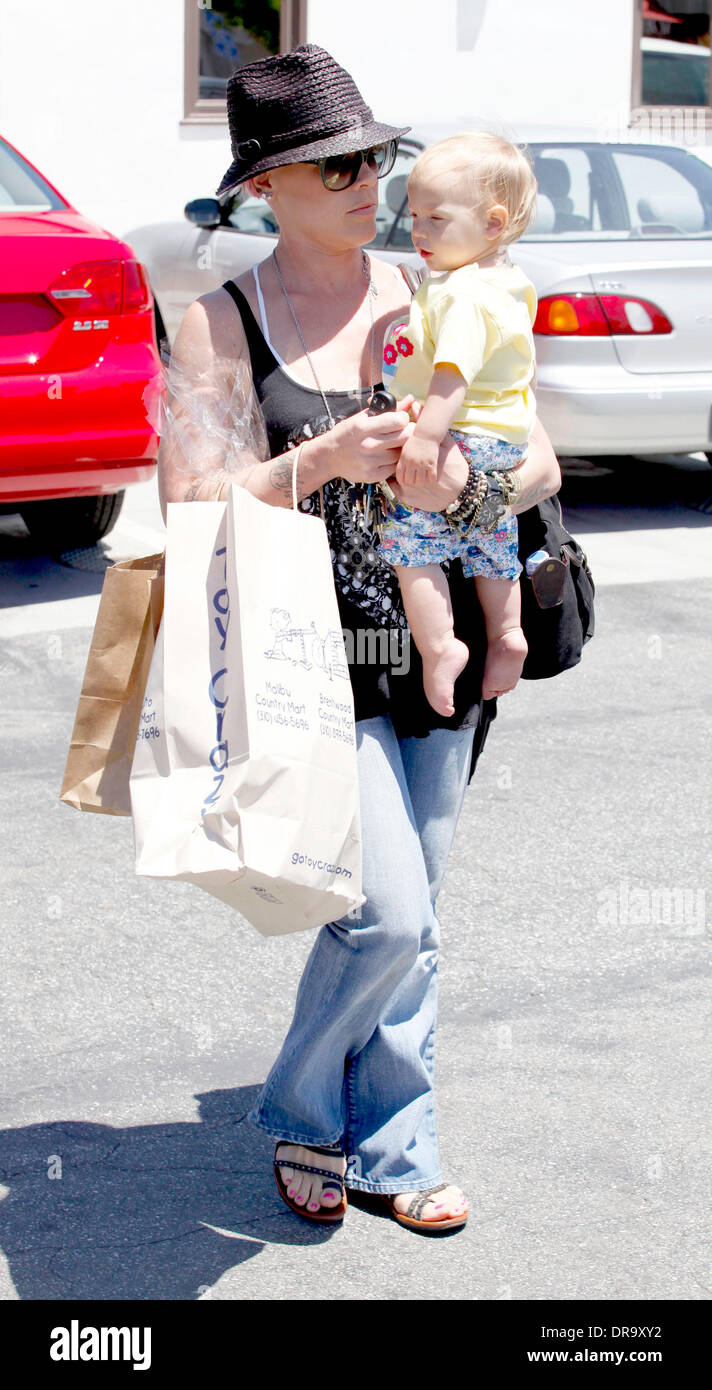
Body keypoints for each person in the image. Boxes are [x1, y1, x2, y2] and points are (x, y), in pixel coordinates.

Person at [158, 44, 560, 1234]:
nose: (364, 180)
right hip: (298, 658)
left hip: (423, 643)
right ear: (265, 186)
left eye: (373, 157)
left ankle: (393, 1139)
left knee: (419, 912)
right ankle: (298, 1107)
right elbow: (190, 508)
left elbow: (530, 450)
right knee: (383, 913)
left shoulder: (429, 288)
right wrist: (317, 462)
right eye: (332, 164)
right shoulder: (219, 320)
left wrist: (484, 479)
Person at [377, 132, 538, 717]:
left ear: (493, 223)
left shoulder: (465, 294)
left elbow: (453, 372)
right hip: (502, 442)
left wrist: (425, 434)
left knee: (409, 540)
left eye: (437, 218)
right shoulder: (507, 285)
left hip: (459, 433)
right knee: (490, 539)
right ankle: (506, 633)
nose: (419, 232)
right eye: (415, 215)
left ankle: (440, 646)